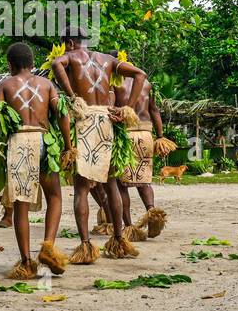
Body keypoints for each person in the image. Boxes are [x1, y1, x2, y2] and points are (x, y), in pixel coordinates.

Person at [50, 32, 147, 261]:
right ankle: (118, 239)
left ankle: (85, 246)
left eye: (66, 46)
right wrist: (127, 109)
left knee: (82, 187)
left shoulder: (71, 56)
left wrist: (73, 96)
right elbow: (140, 74)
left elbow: (55, 63)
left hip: (85, 119)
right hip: (107, 120)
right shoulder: (108, 60)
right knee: (112, 183)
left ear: (70, 43)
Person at [0, 42, 72, 277]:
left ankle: (26, 262)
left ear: (10, 65)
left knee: (20, 204)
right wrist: (68, 146)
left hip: (18, 143)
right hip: (44, 141)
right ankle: (48, 247)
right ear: (32, 64)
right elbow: (62, 115)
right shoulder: (47, 84)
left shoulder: (4, 85)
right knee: (54, 197)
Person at [115, 69, 176, 241]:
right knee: (144, 180)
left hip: (125, 136)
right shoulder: (146, 85)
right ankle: (152, 212)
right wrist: (161, 136)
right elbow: (154, 110)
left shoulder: (114, 83)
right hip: (146, 134)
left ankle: (128, 227)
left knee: (121, 184)